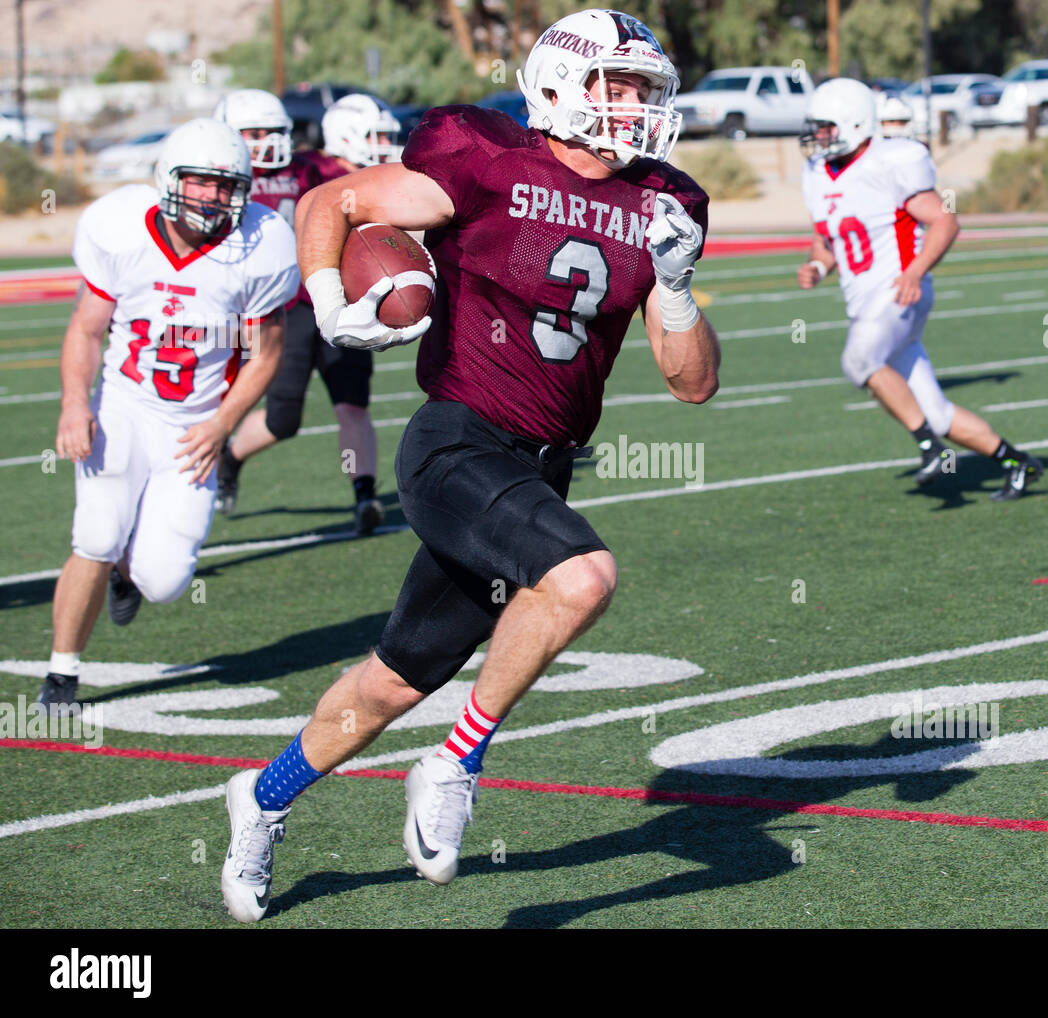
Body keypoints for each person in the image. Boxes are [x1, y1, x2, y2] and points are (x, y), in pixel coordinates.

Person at [220, 8, 720, 922]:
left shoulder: (666, 202)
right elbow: (331, 202)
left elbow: (692, 386)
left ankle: (261, 796)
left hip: (539, 470)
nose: (637, 107)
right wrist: (331, 302)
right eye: (618, 85)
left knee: (390, 681)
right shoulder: (484, 154)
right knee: (583, 577)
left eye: (647, 89)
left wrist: (678, 291)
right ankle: (456, 761)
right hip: (456, 440)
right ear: (561, 85)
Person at [39, 118, 298, 707]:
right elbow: (85, 331)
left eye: (224, 184)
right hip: (125, 406)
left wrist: (222, 423)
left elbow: (266, 355)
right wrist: (76, 404)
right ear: (169, 180)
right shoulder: (122, 231)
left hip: (194, 422)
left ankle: (127, 576)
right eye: (200, 181)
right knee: (97, 534)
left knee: (164, 580)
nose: (210, 195)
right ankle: (62, 673)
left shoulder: (257, 249)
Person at [796, 78, 1044, 501]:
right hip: (869, 302)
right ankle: (1015, 462)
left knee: (858, 361)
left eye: (827, 127)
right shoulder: (818, 173)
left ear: (854, 124)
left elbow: (945, 220)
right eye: (816, 127)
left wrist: (914, 272)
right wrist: (818, 266)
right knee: (938, 412)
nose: (819, 136)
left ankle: (929, 448)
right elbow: (829, 237)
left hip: (899, 291)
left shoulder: (889, 161)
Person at [214, 92, 404, 534]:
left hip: (339, 301)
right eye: (254, 134)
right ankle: (230, 455)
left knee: (352, 406)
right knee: (283, 419)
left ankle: (364, 495)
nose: (265, 143)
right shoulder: (228, 179)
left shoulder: (309, 168)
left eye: (273, 133)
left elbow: (352, 171)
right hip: (286, 310)